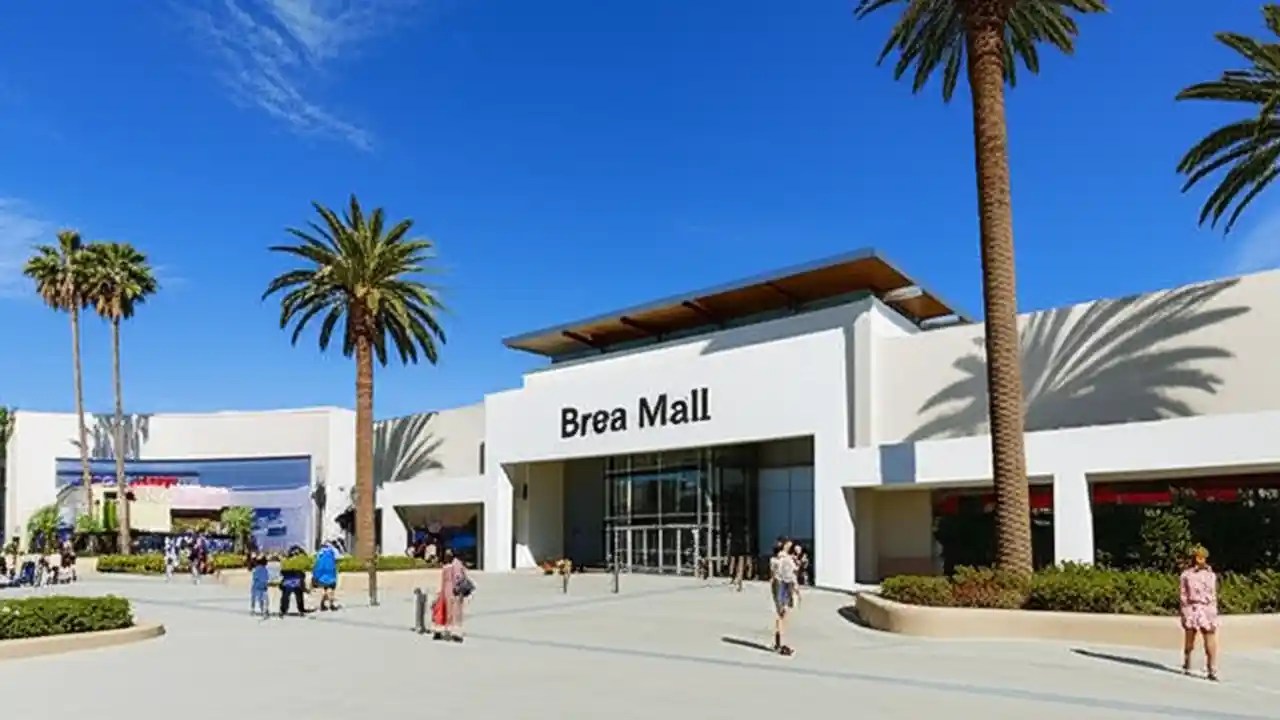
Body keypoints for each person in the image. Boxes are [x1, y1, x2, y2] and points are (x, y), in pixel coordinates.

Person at [1180, 545, 1220, 681]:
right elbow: (1213, 594)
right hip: (1202, 608)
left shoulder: (1188, 575)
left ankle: (1192, 663)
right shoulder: (1210, 575)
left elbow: (1183, 596)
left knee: (1202, 638)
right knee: (1204, 637)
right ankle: (1209, 668)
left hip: (1197, 607)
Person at [435, 549, 471, 642]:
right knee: (453, 612)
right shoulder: (454, 564)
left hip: (451, 591)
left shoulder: (450, 565)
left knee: (452, 612)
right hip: (452, 592)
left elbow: (453, 579)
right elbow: (456, 579)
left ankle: (451, 631)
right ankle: (453, 632)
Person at [769, 538, 798, 656]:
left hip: (778, 584)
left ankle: (779, 642)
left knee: (781, 614)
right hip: (784, 584)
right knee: (783, 614)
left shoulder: (775, 559)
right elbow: (792, 573)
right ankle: (781, 643)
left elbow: (772, 574)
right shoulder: (785, 559)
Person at [312, 541, 339, 611]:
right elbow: (337, 561)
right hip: (331, 574)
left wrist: (315, 576)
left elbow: (317, 565)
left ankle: (322, 604)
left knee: (325, 589)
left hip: (322, 575)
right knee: (332, 590)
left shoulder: (320, 553)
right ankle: (331, 605)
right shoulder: (332, 552)